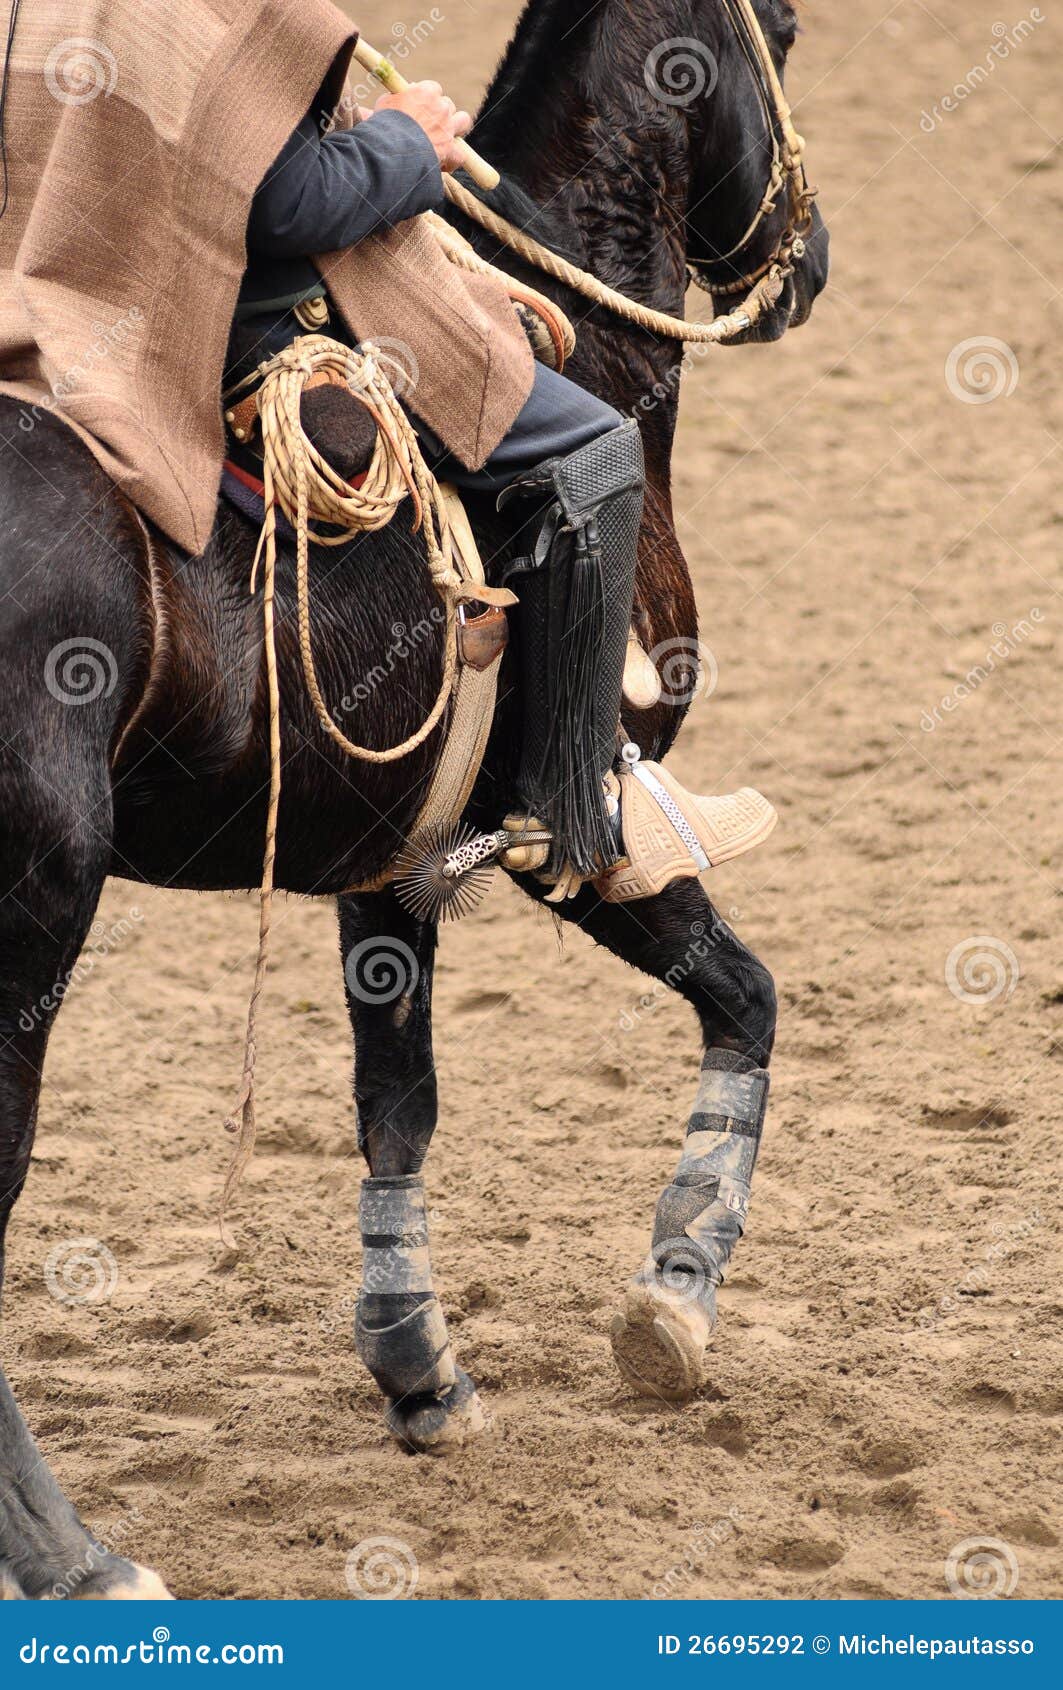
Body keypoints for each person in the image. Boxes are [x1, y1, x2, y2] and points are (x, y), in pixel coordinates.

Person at [233, 74, 643, 882]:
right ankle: (573, 802)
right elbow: (285, 205)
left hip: (70, 300)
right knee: (599, 451)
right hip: (252, 327)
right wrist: (404, 138)